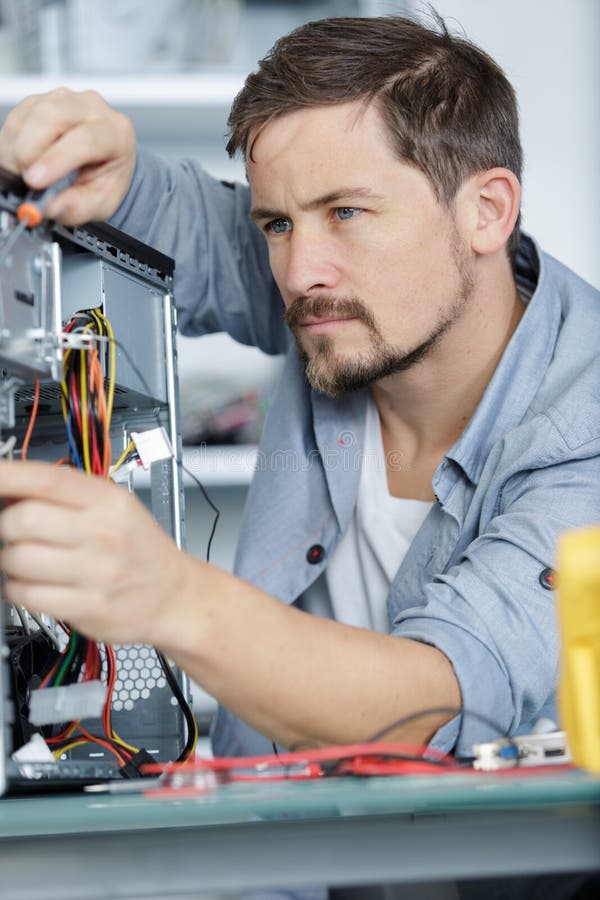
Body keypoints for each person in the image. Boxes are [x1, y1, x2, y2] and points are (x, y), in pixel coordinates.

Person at [0, 12, 599, 881]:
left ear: (487, 209)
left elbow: (434, 700)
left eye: (346, 212)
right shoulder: (348, 300)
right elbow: (179, 219)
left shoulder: (582, 427)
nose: (299, 272)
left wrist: (168, 596)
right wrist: (107, 166)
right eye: (277, 223)